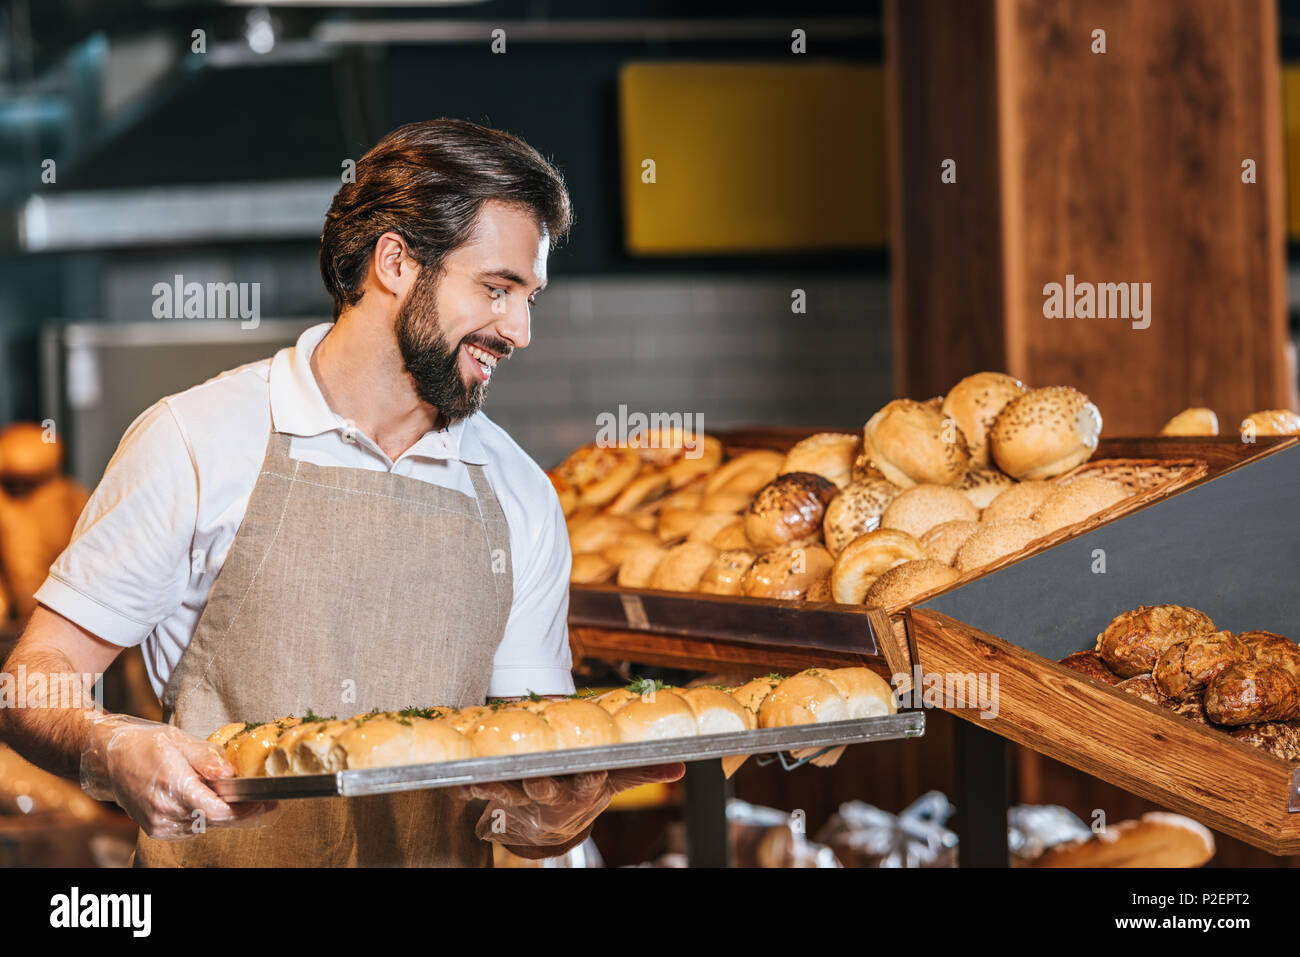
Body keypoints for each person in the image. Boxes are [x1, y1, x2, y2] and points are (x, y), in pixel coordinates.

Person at [0, 118, 682, 867]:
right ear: (395, 261)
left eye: (530, 298)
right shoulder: (197, 440)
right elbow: (35, 679)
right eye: (496, 288)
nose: (518, 329)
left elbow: (525, 777)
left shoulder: (518, 493)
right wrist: (114, 746)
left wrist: (557, 815)